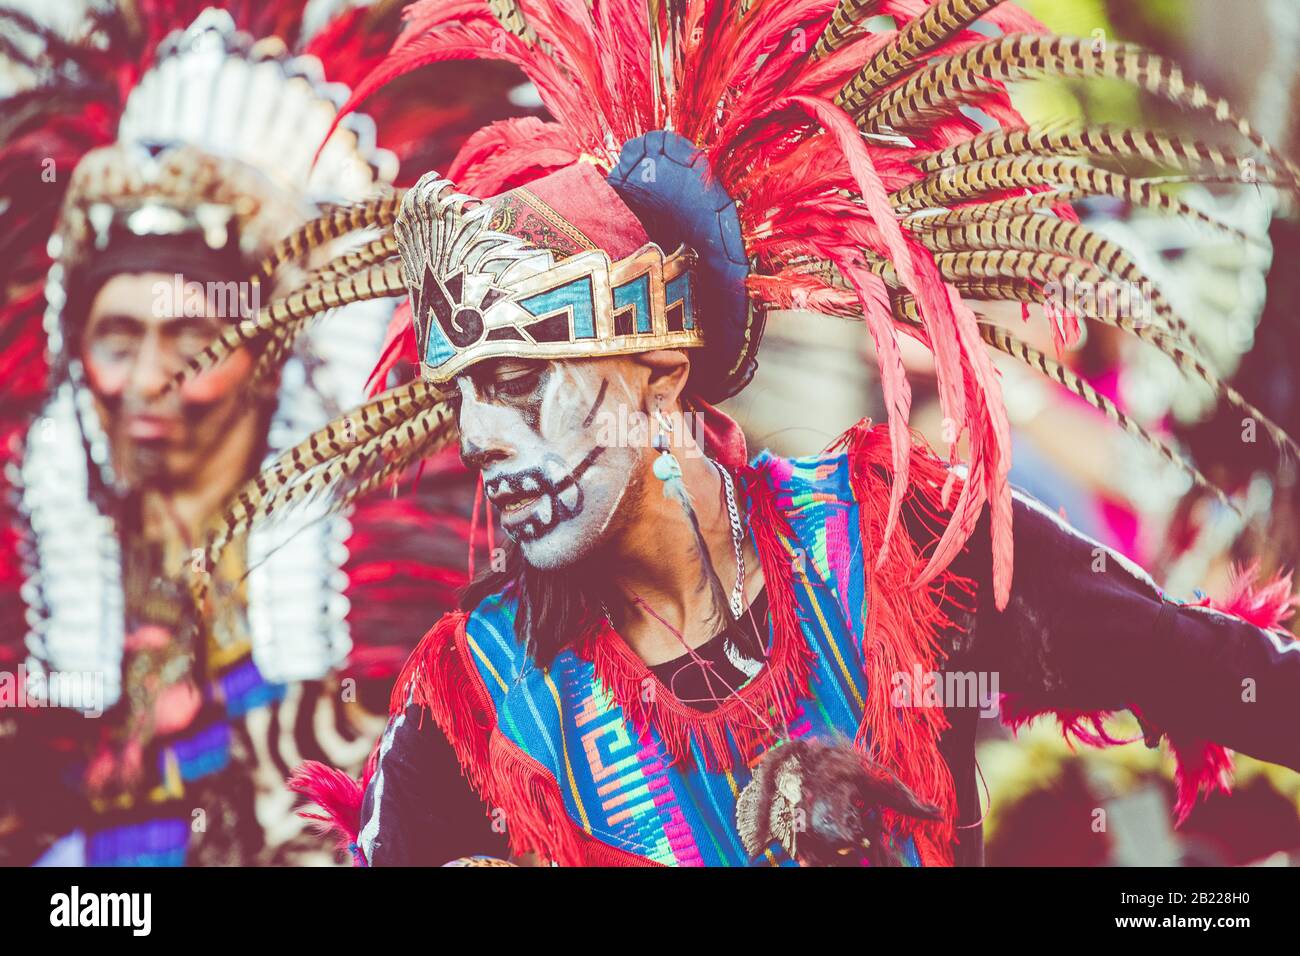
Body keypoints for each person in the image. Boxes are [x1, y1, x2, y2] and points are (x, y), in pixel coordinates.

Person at [185, 0, 1300, 866]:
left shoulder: (894, 547)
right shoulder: (479, 705)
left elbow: (1235, 678)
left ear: (659, 369)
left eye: (520, 381)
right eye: (465, 395)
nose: (480, 435)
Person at [0, 4, 506, 866]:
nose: (148, 378)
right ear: (75, 348)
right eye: (118, 338)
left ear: (268, 359)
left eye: (193, 339)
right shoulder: (42, 583)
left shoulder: (376, 596)